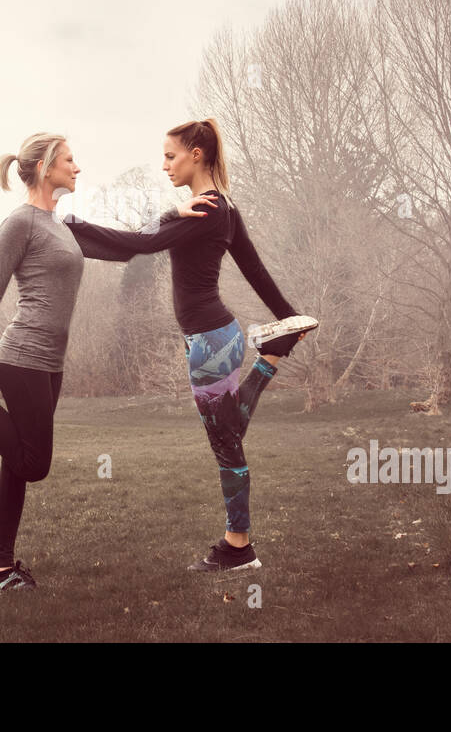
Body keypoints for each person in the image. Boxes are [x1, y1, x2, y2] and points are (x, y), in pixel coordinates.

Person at [0, 132, 214, 596]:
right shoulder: (19, 224)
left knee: (16, 466)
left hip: (50, 364)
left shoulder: (62, 225)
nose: (77, 168)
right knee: (34, 465)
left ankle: (0, 574)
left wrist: (171, 215)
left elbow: (128, 246)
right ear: (44, 168)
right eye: (70, 160)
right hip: (22, 358)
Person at [61, 118, 317, 573]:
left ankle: (238, 547)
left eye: (170, 156)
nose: (165, 166)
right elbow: (255, 271)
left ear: (196, 155)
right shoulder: (223, 208)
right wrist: (289, 318)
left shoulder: (207, 210)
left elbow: (138, 245)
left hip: (211, 340)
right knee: (228, 434)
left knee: (227, 444)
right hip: (217, 337)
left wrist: (72, 226)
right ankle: (272, 353)